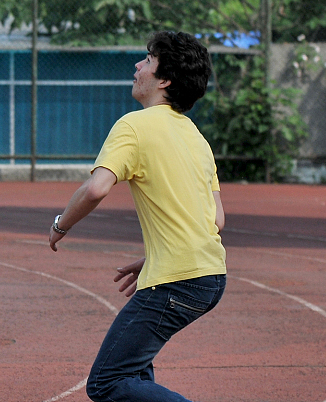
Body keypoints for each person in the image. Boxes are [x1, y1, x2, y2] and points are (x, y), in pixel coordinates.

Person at [48, 31, 226, 402]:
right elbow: (215, 220)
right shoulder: (196, 136)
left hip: (178, 281)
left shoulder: (134, 125)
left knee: (107, 383)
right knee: (134, 371)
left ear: (164, 80)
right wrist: (157, 255)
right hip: (209, 276)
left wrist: (60, 224)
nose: (137, 65)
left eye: (147, 59)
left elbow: (96, 188)